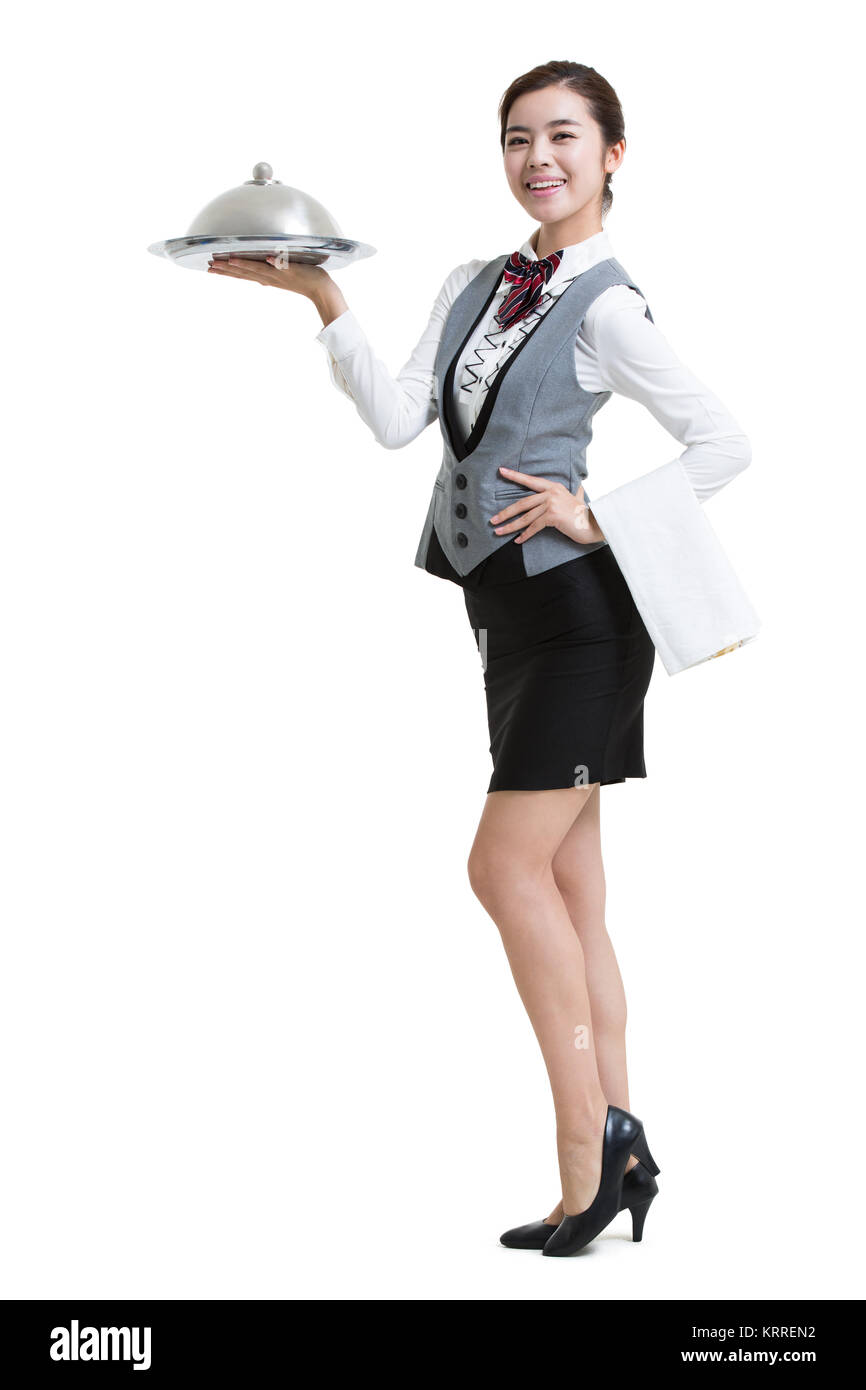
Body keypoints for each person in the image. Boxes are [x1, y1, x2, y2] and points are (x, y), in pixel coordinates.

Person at [207, 60, 751, 1256]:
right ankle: (626, 1138)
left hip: (585, 625)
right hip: (504, 620)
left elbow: (723, 441)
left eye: (562, 135)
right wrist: (323, 300)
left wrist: (593, 514)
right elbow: (405, 421)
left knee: (501, 872)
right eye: (517, 137)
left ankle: (583, 1162)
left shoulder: (608, 302)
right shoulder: (472, 283)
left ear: (613, 154)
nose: (536, 156)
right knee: (568, 892)